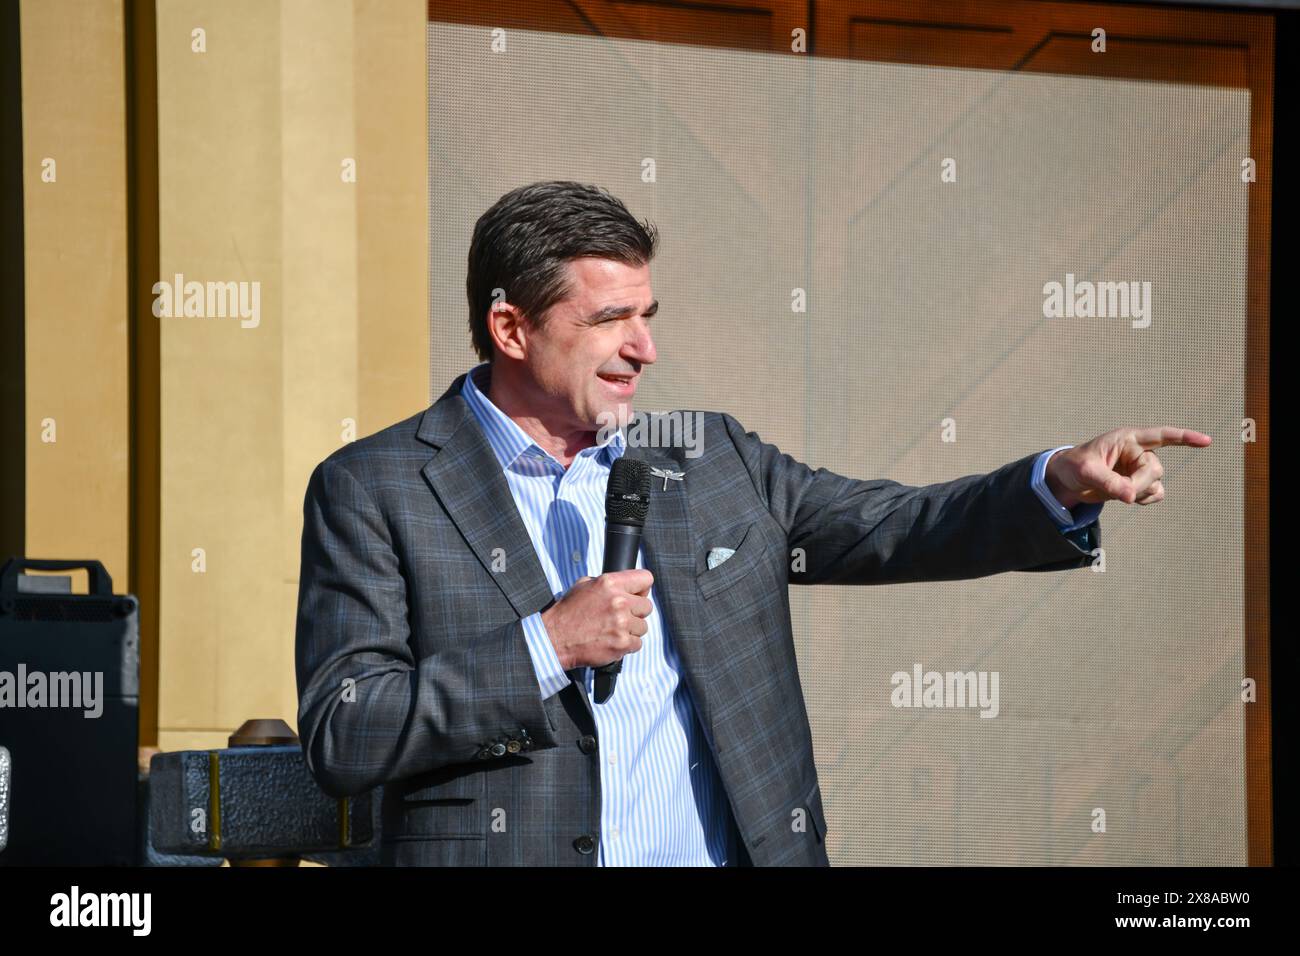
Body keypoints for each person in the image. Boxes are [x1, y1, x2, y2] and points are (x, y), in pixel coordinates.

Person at [294, 180, 1210, 866]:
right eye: (611, 319)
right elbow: (347, 731)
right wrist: (549, 644)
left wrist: (1056, 481)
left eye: (648, 317)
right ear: (510, 329)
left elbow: (894, 523)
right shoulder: (375, 487)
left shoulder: (708, 456)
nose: (645, 348)